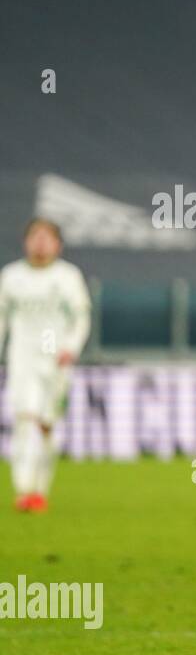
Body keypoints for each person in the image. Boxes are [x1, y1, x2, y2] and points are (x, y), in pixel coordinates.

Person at [0, 219, 91, 513]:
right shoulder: (11, 276)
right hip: (22, 357)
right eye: (35, 236)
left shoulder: (67, 277)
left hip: (54, 356)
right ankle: (24, 490)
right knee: (24, 419)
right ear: (26, 242)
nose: (40, 242)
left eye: (46, 237)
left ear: (57, 244)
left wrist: (71, 347)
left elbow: (81, 317)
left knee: (47, 424)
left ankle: (40, 488)